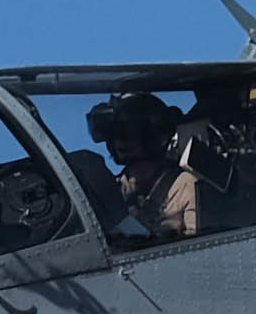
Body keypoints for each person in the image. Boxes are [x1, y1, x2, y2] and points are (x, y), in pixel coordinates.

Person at [87, 91, 203, 241]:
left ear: (158, 136)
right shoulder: (110, 192)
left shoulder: (185, 185)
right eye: (116, 133)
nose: (121, 140)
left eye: (130, 132)